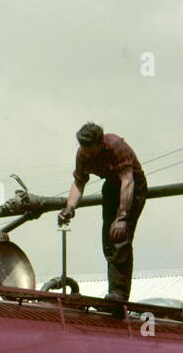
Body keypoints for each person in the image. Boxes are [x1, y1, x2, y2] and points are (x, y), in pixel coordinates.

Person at [57, 121, 148, 302]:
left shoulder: (115, 146)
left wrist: (122, 217)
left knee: (119, 237)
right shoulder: (82, 153)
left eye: (91, 149)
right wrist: (70, 208)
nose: (87, 153)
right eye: (84, 149)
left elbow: (127, 182)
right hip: (112, 186)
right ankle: (113, 290)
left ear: (100, 143)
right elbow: (79, 182)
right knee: (108, 239)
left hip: (132, 187)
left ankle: (119, 295)